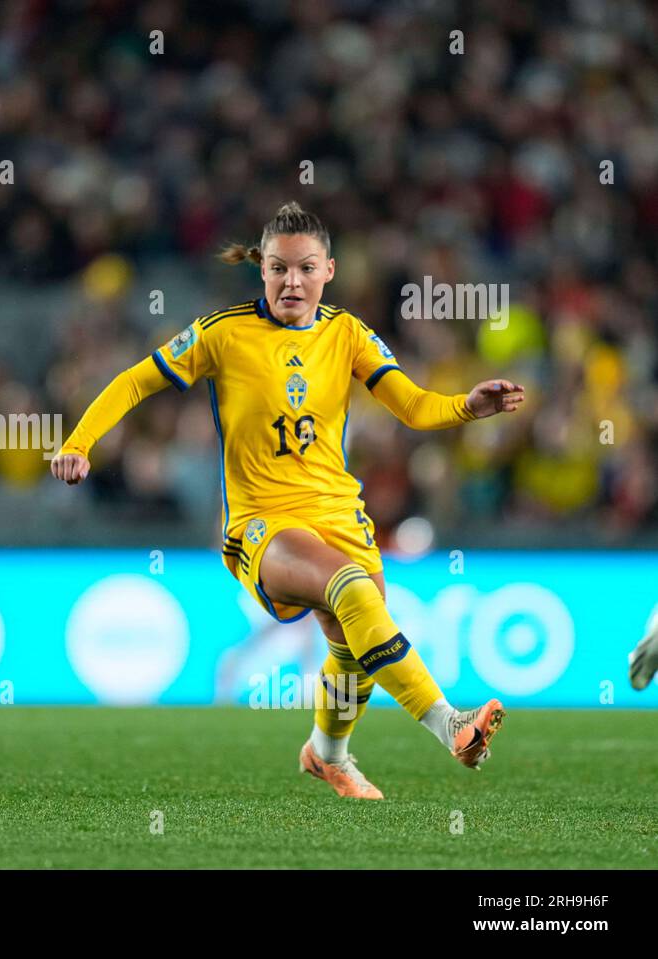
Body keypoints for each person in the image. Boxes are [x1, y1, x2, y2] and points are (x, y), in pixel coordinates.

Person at [52, 201, 526, 799]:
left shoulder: (347, 333)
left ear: (328, 270)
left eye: (304, 268)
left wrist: (466, 406)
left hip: (341, 515)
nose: (291, 282)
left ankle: (327, 754)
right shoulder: (221, 334)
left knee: (354, 645)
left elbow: (410, 403)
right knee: (351, 591)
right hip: (263, 525)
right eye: (278, 268)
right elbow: (134, 380)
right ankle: (450, 723)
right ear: (262, 271)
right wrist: (79, 442)